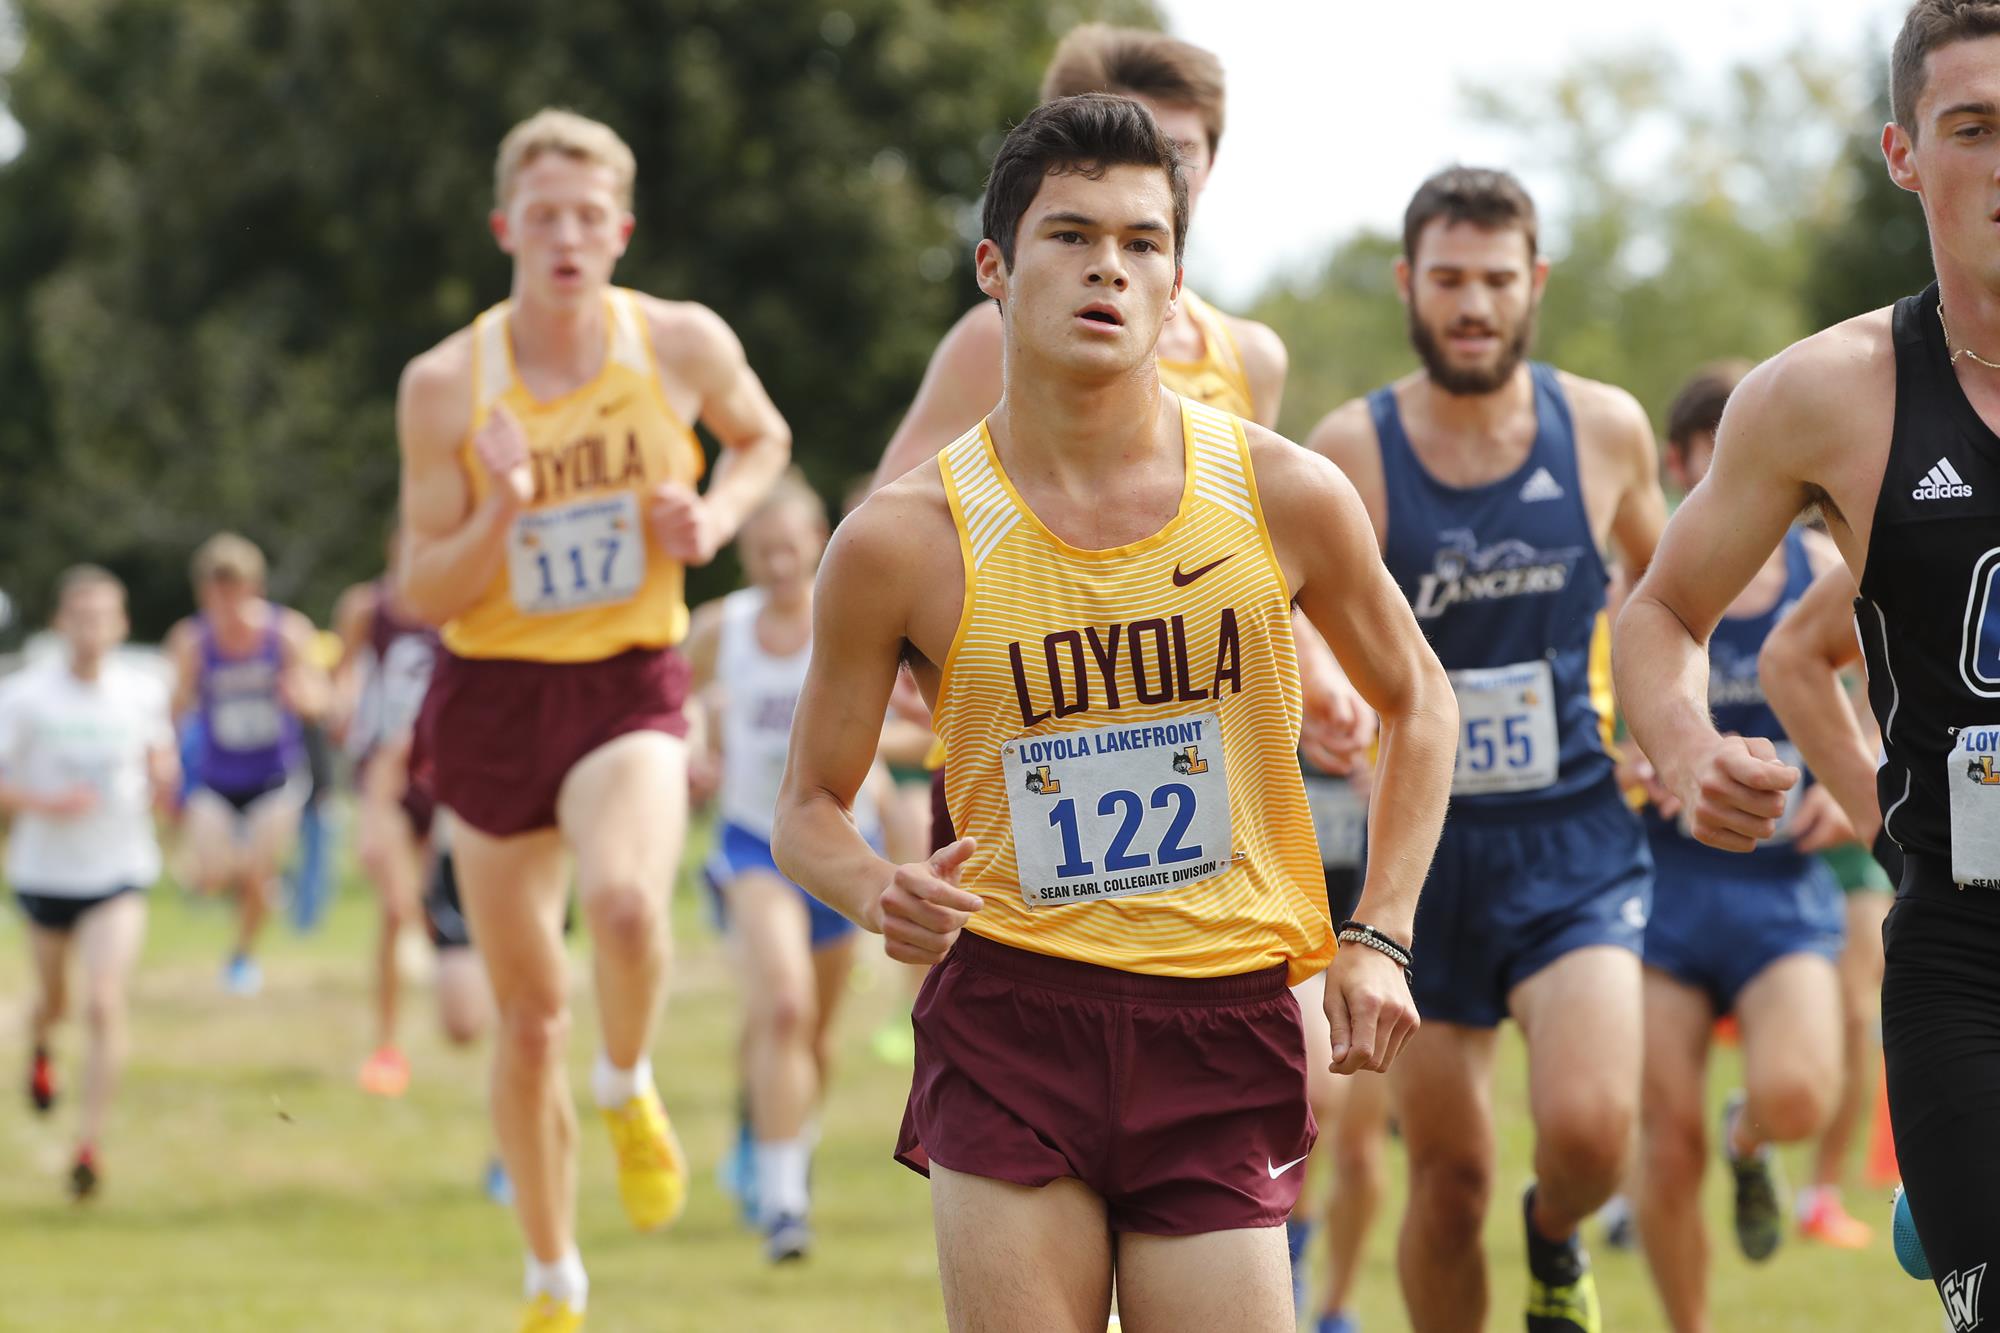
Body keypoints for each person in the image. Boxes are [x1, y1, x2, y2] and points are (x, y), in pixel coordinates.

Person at [773, 94, 1457, 1332]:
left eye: (1143, 244)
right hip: (1010, 1009)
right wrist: (874, 885)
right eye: (1070, 235)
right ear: (994, 267)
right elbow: (808, 807)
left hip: (1222, 1013)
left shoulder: (1281, 493)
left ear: (1176, 281)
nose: (1108, 267)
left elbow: (1420, 700)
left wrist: (1381, 934)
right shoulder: (897, 542)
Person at [1615, 6, 2000, 1324]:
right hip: (1970, 943)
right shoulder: (1831, 396)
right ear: (1906, 152)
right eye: (1973, 129)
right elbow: (1660, 609)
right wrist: (1683, 744)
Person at [395, 108, 790, 1332]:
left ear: (618, 231)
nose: (565, 235)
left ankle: (627, 1081)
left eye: (588, 215)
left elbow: (762, 438)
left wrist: (716, 520)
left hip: (628, 674)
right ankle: (553, 1274)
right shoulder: (447, 383)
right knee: (526, 1020)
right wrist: (501, 511)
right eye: (543, 214)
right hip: (495, 689)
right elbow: (424, 587)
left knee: (623, 904)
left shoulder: (676, 342)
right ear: (507, 227)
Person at [1305, 167, 1669, 1333]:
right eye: (1448, 280)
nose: (1471, 305)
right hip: (1420, 853)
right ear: (1409, 284)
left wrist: (1670, 728)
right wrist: (1323, 689)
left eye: (1495, 281)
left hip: (1572, 834)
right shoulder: (1348, 448)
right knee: (1446, 1181)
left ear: (1533, 285)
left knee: (1586, 1132)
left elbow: (1668, 601)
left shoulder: (1603, 427)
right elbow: (1286, 616)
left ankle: (1555, 1232)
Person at [1627, 365, 1852, 1333]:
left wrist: (1857, 780)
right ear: (1679, 467)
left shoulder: (1825, 570)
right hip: (1657, 888)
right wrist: (1638, 760)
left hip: (1779, 888)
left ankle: (1749, 1139)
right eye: (1713, 454)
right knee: (1662, 1141)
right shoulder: (1642, 582)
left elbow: (1894, 695)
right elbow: (1593, 712)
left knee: (1798, 1094)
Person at [687, 474, 869, 1262]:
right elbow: (668, 709)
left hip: (835, 846)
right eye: (764, 552)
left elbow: (913, 733)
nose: (781, 564)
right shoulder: (717, 630)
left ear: (820, 541)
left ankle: (766, 1127)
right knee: (786, 1007)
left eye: (792, 549)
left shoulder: (855, 623)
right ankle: (785, 1205)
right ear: (745, 556)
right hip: (751, 842)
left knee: (816, 1036)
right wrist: (696, 745)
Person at [0, 566, 176, 1198]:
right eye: (80, 615)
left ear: (121, 624)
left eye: (103, 616)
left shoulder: (142, 690)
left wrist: (165, 780)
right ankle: (42, 1049)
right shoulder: (24, 697)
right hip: (45, 871)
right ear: (59, 623)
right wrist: (43, 802)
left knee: (104, 1001)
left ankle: (88, 1144)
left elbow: (161, 759)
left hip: (118, 870)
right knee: (54, 1003)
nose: (92, 628)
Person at [1757, 560, 1897, 1248]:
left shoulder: (1834, 558)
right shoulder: (1720, 549)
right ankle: (1743, 1135)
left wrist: (1861, 767)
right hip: (1769, 825)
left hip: (1852, 819)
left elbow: (1886, 680)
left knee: (1855, 1010)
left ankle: (1820, 1191)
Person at [165, 532, 325, 996]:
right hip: (216, 777)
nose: (226, 604)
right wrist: (167, 766)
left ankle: (241, 956)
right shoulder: (192, 641)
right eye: (216, 593)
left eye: (235, 591)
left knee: (257, 869)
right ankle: (265, 888)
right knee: (213, 875)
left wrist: (304, 697)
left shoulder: (286, 633)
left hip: (275, 776)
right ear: (203, 593)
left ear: (255, 588)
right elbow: (175, 709)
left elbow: (321, 698)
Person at [331, 544, 442, 1097]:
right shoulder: (367, 608)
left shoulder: (461, 602)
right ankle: (387, 1042)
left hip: (447, 773)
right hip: (383, 768)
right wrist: (336, 705)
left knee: (426, 901)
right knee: (394, 906)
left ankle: (442, 970)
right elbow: (344, 674)